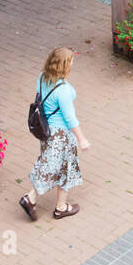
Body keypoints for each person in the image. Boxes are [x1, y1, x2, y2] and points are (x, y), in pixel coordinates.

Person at [20, 47, 89, 221]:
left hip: (46, 132)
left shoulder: (42, 77)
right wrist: (82, 139)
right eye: (71, 61)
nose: (73, 63)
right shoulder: (63, 91)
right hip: (61, 135)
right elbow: (70, 118)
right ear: (65, 65)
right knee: (63, 168)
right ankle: (51, 204)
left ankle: (51, 204)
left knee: (51, 164)